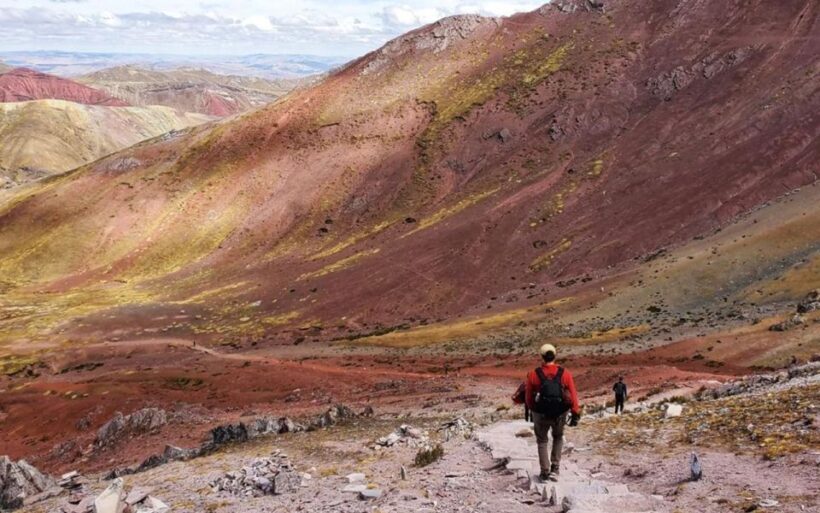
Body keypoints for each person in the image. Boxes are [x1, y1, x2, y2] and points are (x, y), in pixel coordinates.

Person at [524, 343, 581, 482]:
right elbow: (573, 394)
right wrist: (575, 412)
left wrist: (533, 410)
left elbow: (528, 397)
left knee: (542, 441)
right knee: (558, 437)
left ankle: (544, 472)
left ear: (542, 357)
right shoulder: (565, 373)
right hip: (560, 414)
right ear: (555, 356)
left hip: (541, 414)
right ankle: (555, 468)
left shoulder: (533, 374)